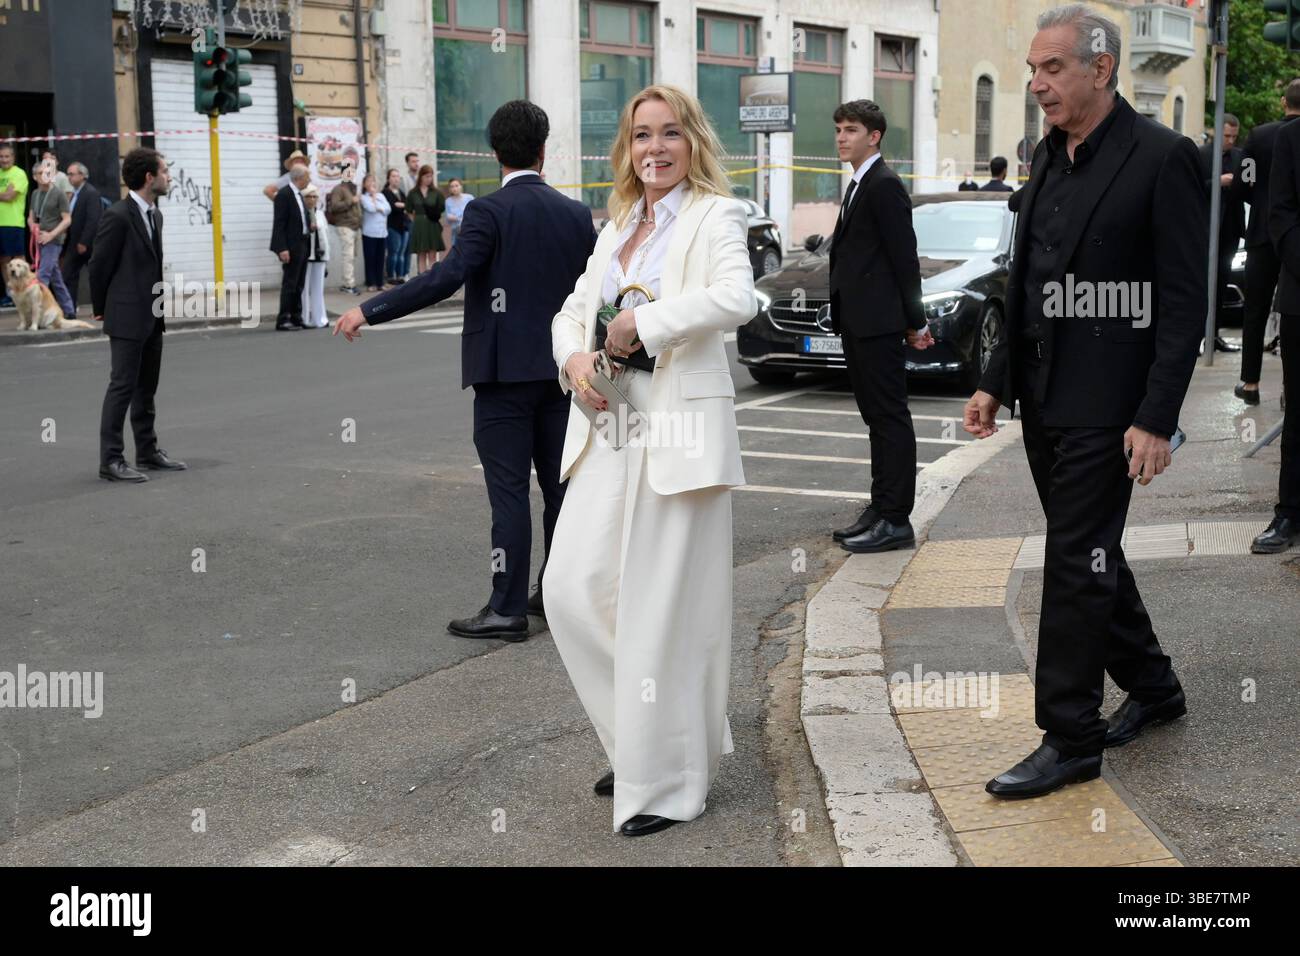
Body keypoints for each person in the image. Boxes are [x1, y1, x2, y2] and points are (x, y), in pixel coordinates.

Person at [964, 5, 1204, 799]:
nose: (1036, 84)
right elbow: (1024, 284)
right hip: (1044, 399)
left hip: (1112, 406)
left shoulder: (1163, 157)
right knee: (1090, 548)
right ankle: (1157, 687)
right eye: (1032, 71)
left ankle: (1070, 736)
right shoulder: (1043, 159)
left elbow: (1180, 301)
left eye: (1052, 68)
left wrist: (1156, 416)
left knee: (1072, 560)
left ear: (1101, 69)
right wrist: (994, 381)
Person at [544, 82, 757, 837]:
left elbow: (739, 298)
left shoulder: (714, 215)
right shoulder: (619, 223)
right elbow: (572, 310)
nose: (655, 148)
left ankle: (665, 781)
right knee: (571, 590)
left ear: (692, 141)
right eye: (642, 136)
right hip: (611, 430)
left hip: (679, 433)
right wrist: (574, 359)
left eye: (670, 133)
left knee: (662, 615)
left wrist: (646, 321)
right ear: (626, 148)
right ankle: (648, 738)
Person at [334, 100, 596, 643]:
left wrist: (370, 309)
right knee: (560, 489)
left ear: (495, 153)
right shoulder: (575, 214)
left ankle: (506, 609)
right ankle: (554, 592)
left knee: (508, 494)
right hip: (561, 373)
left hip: (502, 377)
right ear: (544, 150)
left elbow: (446, 278)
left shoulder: (487, 211)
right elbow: (594, 293)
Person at [828, 99, 933, 554]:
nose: (841, 137)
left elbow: (903, 258)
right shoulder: (859, 183)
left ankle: (896, 519)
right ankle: (880, 506)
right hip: (859, 322)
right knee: (877, 419)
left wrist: (916, 321)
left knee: (890, 419)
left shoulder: (884, 185)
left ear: (874, 136)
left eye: (850, 130)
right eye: (838, 130)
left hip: (878, 324)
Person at [90, 147, 187, 482]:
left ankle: (146, 451)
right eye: (165, 171)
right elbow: (99, 266)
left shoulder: (154, 215)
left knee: (146, 388)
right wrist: (103, 308)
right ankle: (111, 460)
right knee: (122, 386)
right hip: (126, 316)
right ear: (150, 177)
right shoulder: (118, 216)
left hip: (152, 316)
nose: (168, 176)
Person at [1234, 79, 1300, 405]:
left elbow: (1243, 182)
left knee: (1255, 310)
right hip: (1294, 236)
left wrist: (1258, 201)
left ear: (1282, 102)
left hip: (1262, 232)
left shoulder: (1259, 136)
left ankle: (1251, 383)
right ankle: (1291, 387)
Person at [1256, 95, 1300, 554]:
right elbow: (1281, 215)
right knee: (1299, 411)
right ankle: (1289, 512)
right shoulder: (1289, 138)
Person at [1199, 113, 1245, 354]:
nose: (1230, 140)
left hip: (1231, 229)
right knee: (1202, 284)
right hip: (1206, 228)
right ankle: (1200, 335)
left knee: (1221, 283)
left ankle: (1214, 334)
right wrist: (1218, 181)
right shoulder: (1201, 155)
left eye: (1234, 137)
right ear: (1217, 132)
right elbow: (1193, 187)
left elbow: (1248, 187)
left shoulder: (1240, 156)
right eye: (1227, 135)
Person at [26, 160, 77, 320]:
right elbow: (31, 216)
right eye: (41, 173)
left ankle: (39, 312)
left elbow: (67, 219)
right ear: (35, 176)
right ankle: (69, 309)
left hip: (53, 240)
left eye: (48, 173)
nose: (45, 176)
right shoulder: (35, 194)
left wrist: (51, 234)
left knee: (43, 276)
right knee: (55, 276)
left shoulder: (59, 193)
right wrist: (32, 227)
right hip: (39, 238)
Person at [269, 165, 312, 331]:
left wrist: (309, 225)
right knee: (290, 283)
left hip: (302, 243)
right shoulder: (284, 195)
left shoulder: (298, 194)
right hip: (291, 246)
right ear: (299, 177)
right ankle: (284, 318)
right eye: (307, 176)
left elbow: (299, 218)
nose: (309, 179)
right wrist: (282, 248)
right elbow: (279, 224)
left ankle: (296, 317)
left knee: (299, 283)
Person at [61, 161, 102, 311]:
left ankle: (100, 309)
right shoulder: (74, 194)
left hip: (88, 244)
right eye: (68, 174)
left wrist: (84, 241)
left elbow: (93, 219)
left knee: (95, 277)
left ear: (83, 175)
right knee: (68, 275)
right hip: (73, 242)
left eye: (72, 174)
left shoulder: (91, 193)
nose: (69, 177)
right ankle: (69, 308)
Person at [0, 143, 29, 308]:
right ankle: (10, 293)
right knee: (3, 260)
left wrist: (6, 194)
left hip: (13, 223)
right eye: (1, 156)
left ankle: (24, 290)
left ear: (13, 157)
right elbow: (5, 194)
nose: (4, 160)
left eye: (7, 156)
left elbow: (10, 196)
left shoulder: (19, 174)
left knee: (18, 260)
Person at [325, 166, 361, 294]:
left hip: (353, 227)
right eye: (348, 173)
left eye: (352, 173)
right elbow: (335, 206)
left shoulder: (352, 189)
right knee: (348, 256)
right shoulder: (339, 189)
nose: (350, 175)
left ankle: (349, 282)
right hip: (345, 226)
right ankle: (348, 284)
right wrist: (351, 201)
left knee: (350, 256)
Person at [301, 184, 330, 328]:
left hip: (320, 255)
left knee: (318, 289)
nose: (312, 199)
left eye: (314, 196)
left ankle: (320, 319)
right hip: (306, 255)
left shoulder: (320, 213)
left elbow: (326, 236)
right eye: (308, 196)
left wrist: (327, 258)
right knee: (304, 289)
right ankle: (304, 318)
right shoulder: (302, 212)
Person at [407, 164, 445, 274]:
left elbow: (441, 208)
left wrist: (434, 215)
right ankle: (421, 279)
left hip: (432, 224)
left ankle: (432, 279)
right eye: (426, 176)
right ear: (421, 177)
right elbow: (409, 210)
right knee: (421, 254)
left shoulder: (436, 192)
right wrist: (416, 221)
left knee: (432, 254)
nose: (429, 179)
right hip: (419, 225)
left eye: (431, 176)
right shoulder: (413, 193)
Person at [359, 172, 390, 292]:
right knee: (370, 258)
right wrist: (373, 199)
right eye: (369, 181)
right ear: (364, 184)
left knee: (380, 258)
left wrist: (378, 206)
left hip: (382, 232)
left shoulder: (381, 196)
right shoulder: (364, 197)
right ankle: (371, 283)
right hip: (369, 232)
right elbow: (371, 208)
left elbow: (388, 209)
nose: (372, 183)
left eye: (373, 181)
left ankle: (380, 282)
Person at [381, 168, 409, 285]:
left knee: (401, 254)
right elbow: (391, 208)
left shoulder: (401, 192)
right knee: (394, 252)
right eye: (393, 176)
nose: (396, 178)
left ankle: (400, 276)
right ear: (388, 178)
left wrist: (401, 205)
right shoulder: (385, 192)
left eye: (397, 176)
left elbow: (408, 207)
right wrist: (399, 206)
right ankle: (391, 276)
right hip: (392, 226)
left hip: (404, 226)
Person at [444, 177, 474, 247]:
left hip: (468, 229)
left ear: (461, 186)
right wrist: (452, 218)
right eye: (452, 186)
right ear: (449, 189)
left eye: (457, 186)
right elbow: (448, 219)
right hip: (456, 231)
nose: (454, 188)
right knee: (457, 250)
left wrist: (457, 218)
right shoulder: (448, 201)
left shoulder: (469, 198)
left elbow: (474, 213)